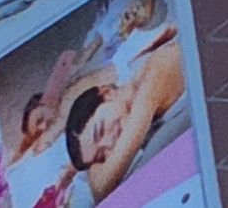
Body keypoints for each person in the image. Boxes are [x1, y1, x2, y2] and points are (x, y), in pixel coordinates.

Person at [63, 31, 186, 202]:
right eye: (101, 155)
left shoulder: (153, 76)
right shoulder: (138, 110)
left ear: (107, 93)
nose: (109, 144)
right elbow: (92, 182)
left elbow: (101, 187)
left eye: (100, 131)